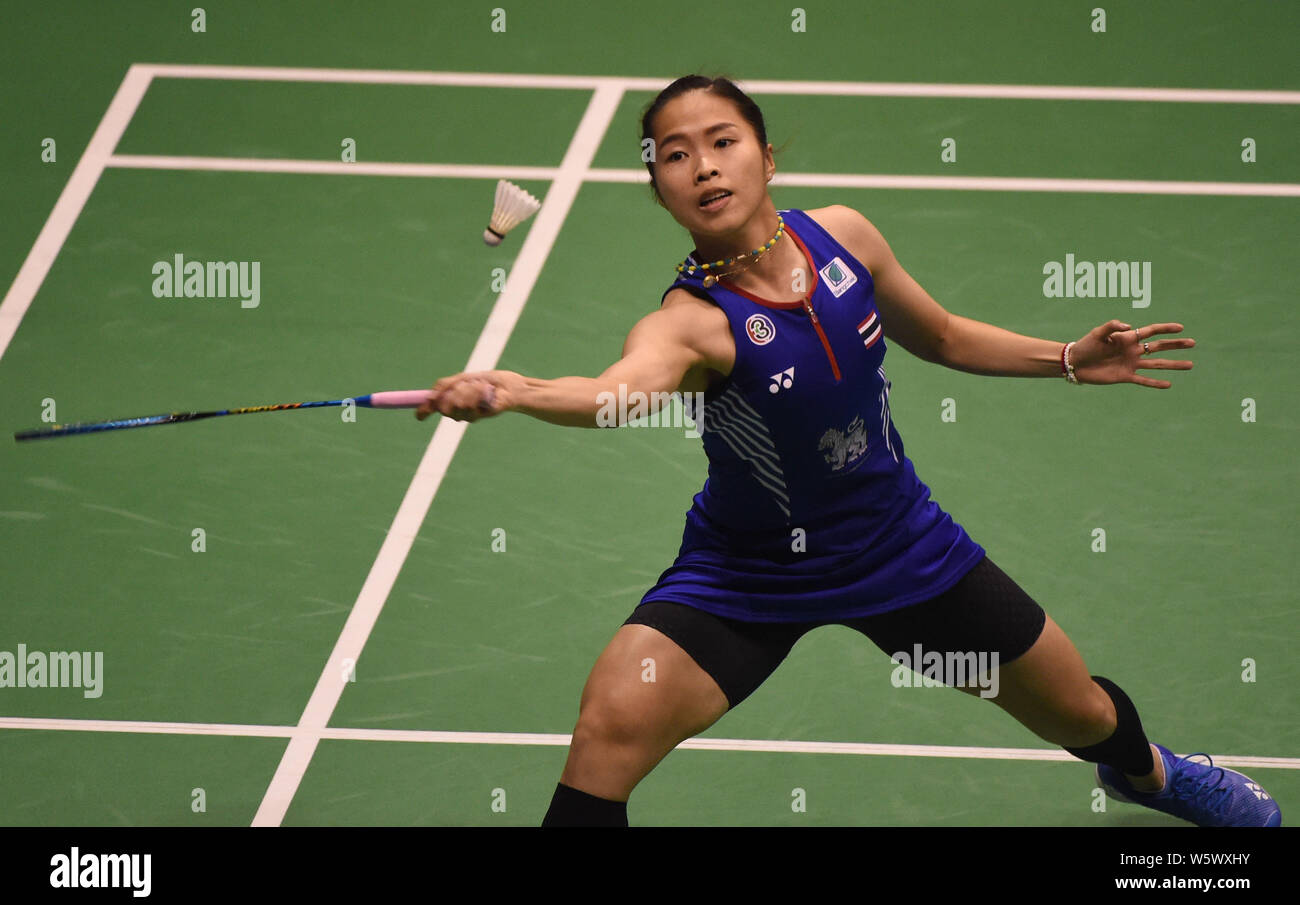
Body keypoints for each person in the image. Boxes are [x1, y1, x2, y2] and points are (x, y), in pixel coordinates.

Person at [417, 75, 1281, 828]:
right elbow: (616, 393)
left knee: (1083, 710)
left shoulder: (844, 239)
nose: (705, 166)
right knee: (606, 730)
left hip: (899, 544)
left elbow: (938, 334)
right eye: (675, 156)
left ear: (766, 154)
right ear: (660, 189)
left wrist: (1064, 357)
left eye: (723, 141)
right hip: (747, 572)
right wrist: (519, 390)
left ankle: (1150, 775)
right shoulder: (689, 324)